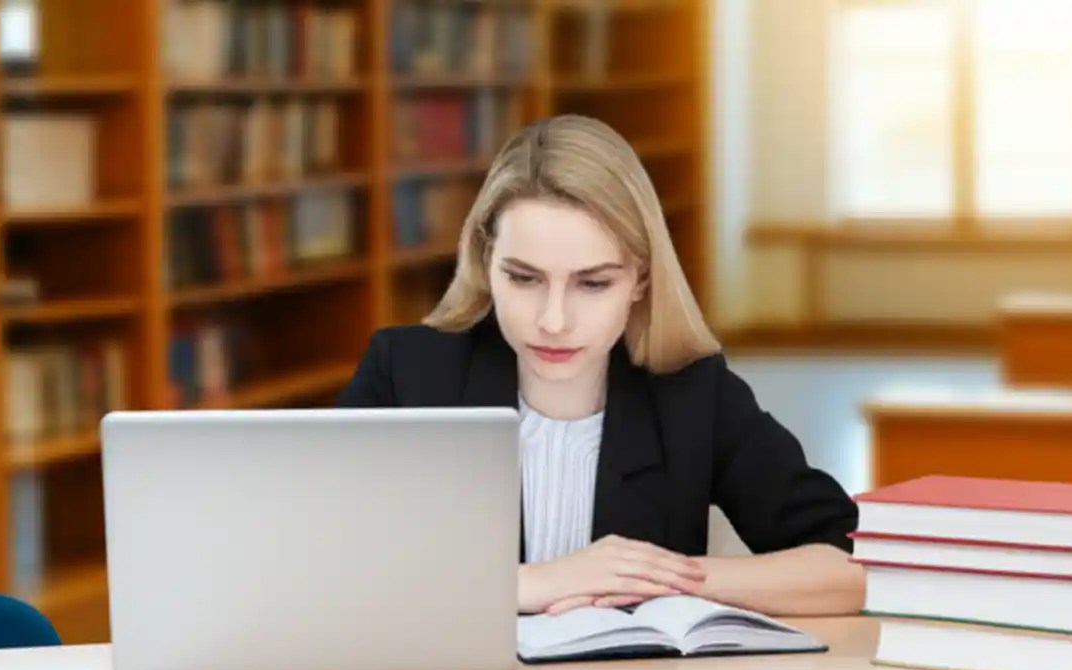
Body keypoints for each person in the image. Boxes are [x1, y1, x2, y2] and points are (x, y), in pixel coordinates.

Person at [338, 115, 863, 618]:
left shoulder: (693, 394)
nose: (553, 320)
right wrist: (537, 582)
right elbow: (324, 563)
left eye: (593, 284)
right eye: (524, 278)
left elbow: (852, 564)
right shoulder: (404, 373)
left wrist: (664, 578)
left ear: (640, 280)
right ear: (485, 261)